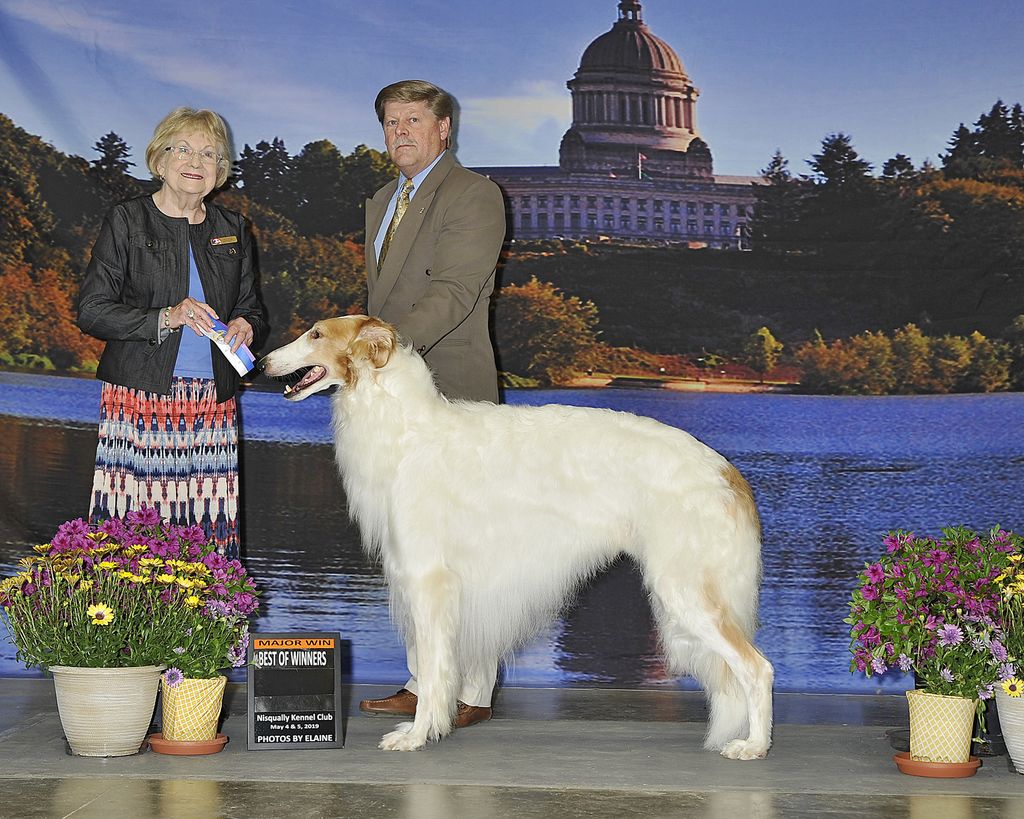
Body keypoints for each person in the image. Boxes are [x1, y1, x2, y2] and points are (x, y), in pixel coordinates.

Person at [358, 80, 507, 728]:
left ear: (445, 127)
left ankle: (471, 690)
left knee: (463, 550)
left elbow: (451, 292)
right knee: (410, 548)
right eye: (391, 122)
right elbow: (382, 299)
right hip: (391, 401)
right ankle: (424, 680)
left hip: (453, 392)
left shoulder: (474, 195)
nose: (400, 133)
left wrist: (376, 345)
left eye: (414, 120)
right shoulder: (379, 202)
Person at [77, 107, 266, 560]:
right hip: (139, 397)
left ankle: (212, 629)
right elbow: (91, 311)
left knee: (207, 534)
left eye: (208, 153)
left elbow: (252, 308)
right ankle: (120, 628)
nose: (195, 161)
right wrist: (166, 316)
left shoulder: (233, 229)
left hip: (212, 402)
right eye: (182, 149)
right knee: (129, 532)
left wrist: (246, 324)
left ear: (220, 171)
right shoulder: (126, 220)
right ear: (159, 161)